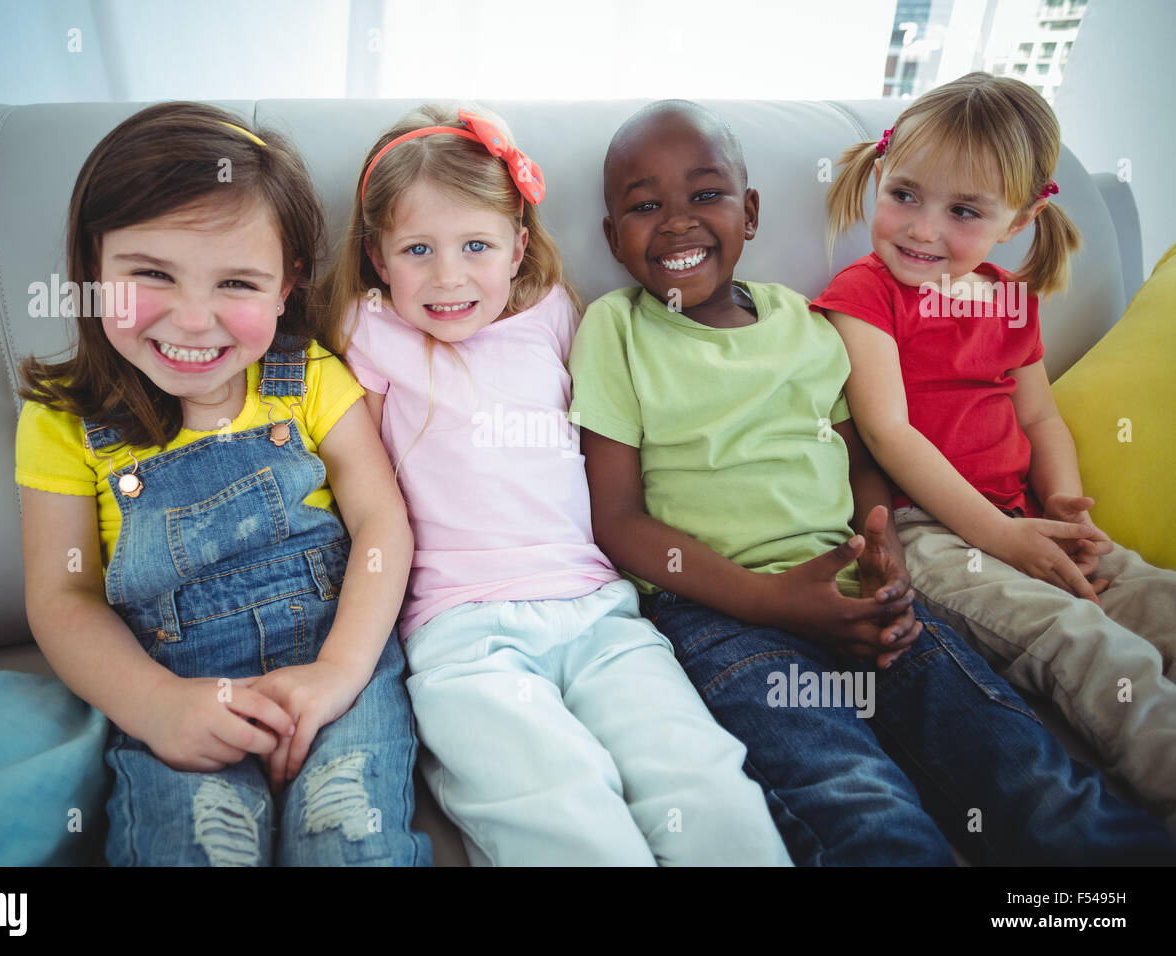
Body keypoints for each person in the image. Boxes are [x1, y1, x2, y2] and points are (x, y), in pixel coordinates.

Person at [570, 98, 1176, 864]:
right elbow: (617, 518)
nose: (678, 221)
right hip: (725, 613)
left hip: (861, 585)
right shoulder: (616, 329)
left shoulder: (802, 322)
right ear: (609, 236)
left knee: (1023, 769)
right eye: (645, 206)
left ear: (750, 213)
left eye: (706, 194)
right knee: (857, 799)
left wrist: (878, 545)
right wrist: (774, 597)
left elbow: (858, 458)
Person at [321, 103, 790, 866]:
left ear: (518, 248)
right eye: (416, 249)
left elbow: (621, 431)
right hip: (462, 628)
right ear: (378, 258)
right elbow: (357, 490)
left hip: (600, 612)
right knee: (561, 805)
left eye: (476, 244)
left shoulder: (554, 315)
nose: (448, 276)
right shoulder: (369, 329)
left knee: (705, 785)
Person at [14, 102, 431, 866]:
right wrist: (155, 706)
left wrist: (339, 674)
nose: (194, 318)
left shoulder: (307, 379)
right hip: (171, 685)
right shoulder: (62, 423)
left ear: (286, 285)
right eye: (150, 274)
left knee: (350, 846)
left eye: (237, 281)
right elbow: (61, 595)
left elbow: (381, 523)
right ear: (91, 269)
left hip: (337, 671)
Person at [815, 72, 1176, 834]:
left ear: (1020, 219)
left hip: (1025, 517)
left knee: (1154, 597)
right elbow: (889, 432)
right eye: (906, 195)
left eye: (964, 212)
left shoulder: (1010, 299)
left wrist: (1067, 507)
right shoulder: (864, 294)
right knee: (1083, 638)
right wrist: (1002, 537)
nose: (921, 229)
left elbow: (1039, 417)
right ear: (880, 175)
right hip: (933, 534)